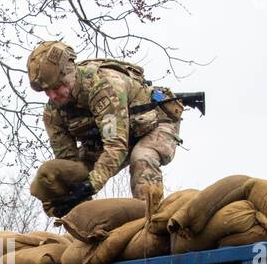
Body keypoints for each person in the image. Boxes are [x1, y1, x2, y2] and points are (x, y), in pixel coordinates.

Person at [27, 41, 180, 214]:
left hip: (153, 127)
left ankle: (150, 222)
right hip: (108, 141)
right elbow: (69, 163)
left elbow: (116, 146)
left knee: (142, 158)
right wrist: (73, 195)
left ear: (70, 73)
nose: (52, 95)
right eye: (46, 91)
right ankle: (85, 229)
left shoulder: (103, 87)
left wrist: (91, 185)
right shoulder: (53, 114)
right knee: (55, 173)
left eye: (56, 87)